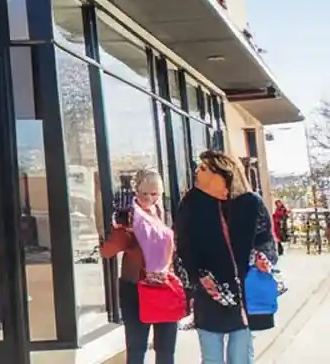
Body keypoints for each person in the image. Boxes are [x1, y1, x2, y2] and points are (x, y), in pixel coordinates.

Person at [176, 150, 277, 364]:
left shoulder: (250, 203)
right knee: (211, 358)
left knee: (240, 358)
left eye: (203, 168)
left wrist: (262, 259)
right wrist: (198, 276)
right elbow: (183, 246)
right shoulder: (191, 202)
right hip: (209, 292)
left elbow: (265, 240)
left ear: (221, 174)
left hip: (243, 294)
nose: (197, 171)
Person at [101, 170, 178, 364]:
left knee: (166, 349)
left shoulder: (162, 214)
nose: (150, 199)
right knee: (137, 348)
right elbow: (108, 250)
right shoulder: (129, 217)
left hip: (163, 285)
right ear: (136, 192)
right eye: (145, 194)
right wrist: (119, 232)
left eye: (155, 194)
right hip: (136, 288)